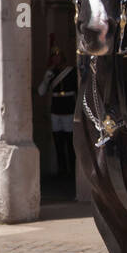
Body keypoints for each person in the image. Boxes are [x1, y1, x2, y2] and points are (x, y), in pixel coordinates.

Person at [36, 37, 76, 180]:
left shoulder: (71, 71)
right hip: (56, 111)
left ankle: (72, 170)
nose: (56, 59)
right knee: (58, 143)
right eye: (54, 56)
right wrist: (46, 78)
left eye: (58, 56)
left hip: (69, 109)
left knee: (70, 142)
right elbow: (41, 92)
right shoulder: (50, 73)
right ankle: (62, 170)